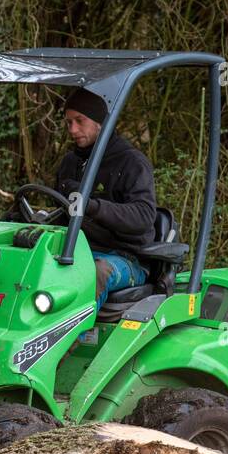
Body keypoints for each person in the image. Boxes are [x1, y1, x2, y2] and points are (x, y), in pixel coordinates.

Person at [52, 88, 158, 309]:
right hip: (77, 250)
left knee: (95, 272)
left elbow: (144, 215)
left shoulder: (131, 163)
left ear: (100, 122)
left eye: (80, 121)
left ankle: (69, 342)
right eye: (68, 122)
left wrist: (92, 206)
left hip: (125, 258)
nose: (72, 129)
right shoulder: (70, 163)